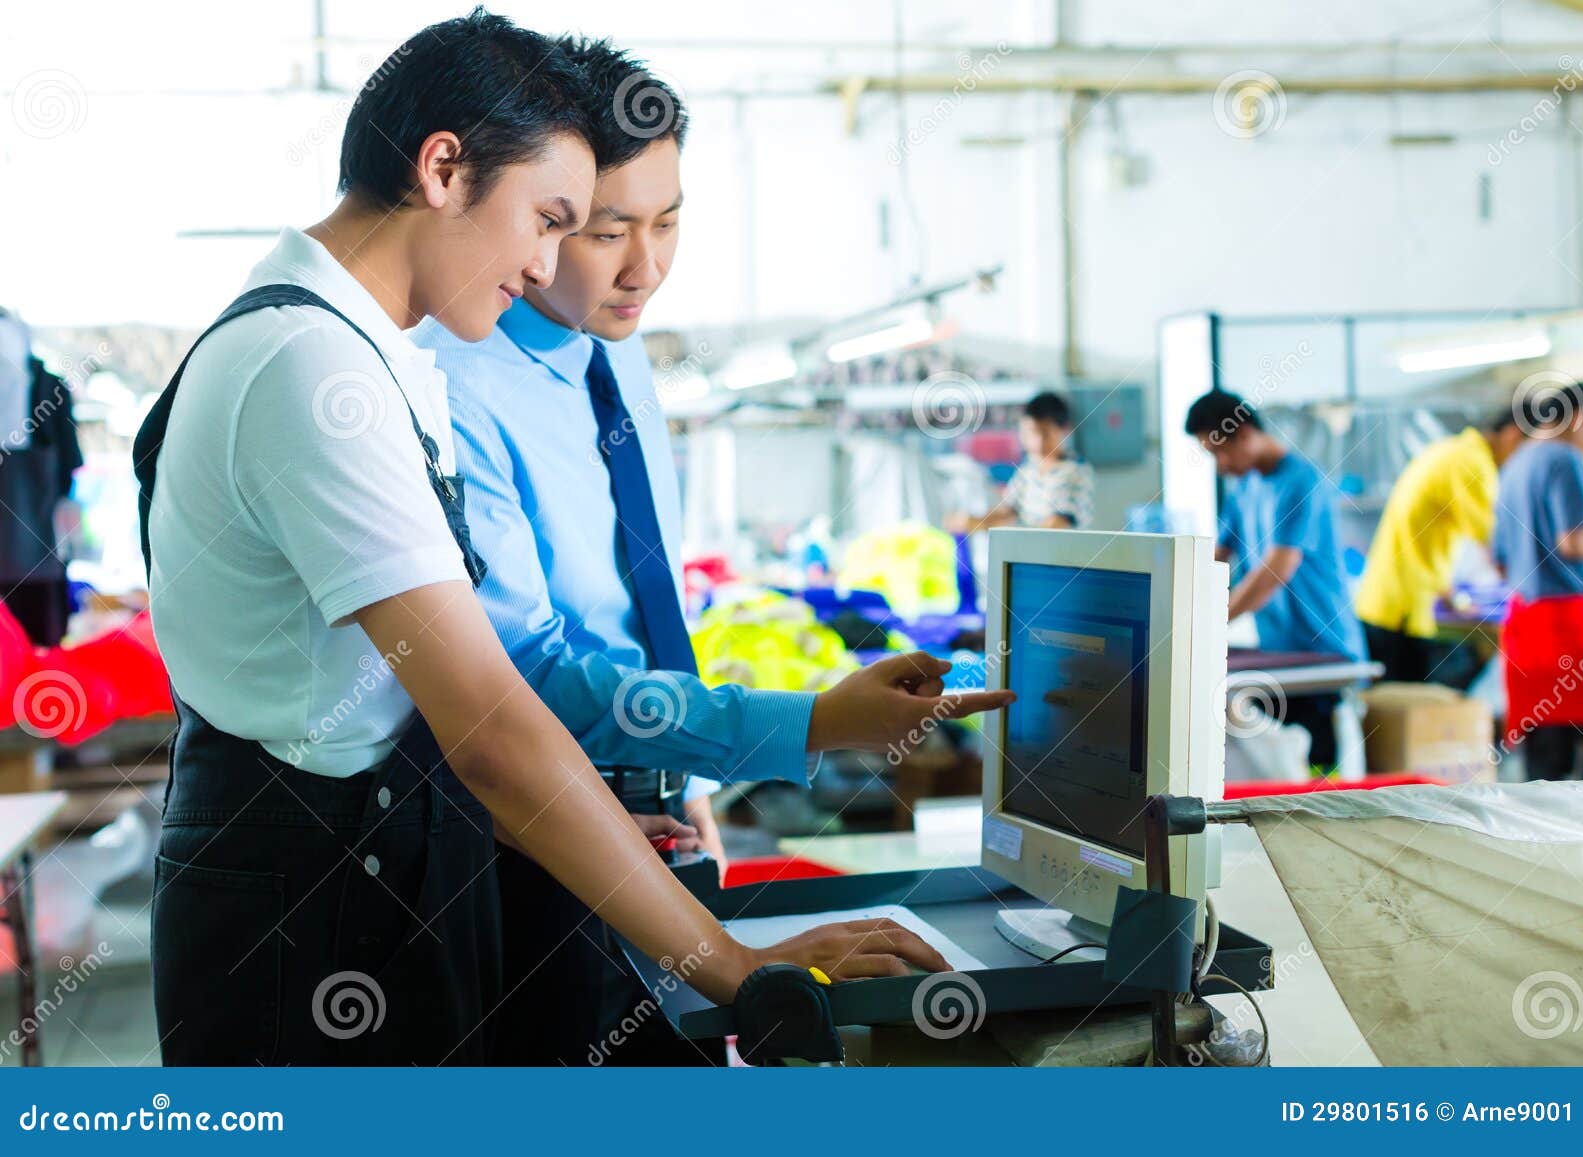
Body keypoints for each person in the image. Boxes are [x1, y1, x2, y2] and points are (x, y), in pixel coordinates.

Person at [137, 11, 979, 1067]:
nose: (546, 266)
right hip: (303, 907)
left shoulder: (368, 356)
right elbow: (492, 723)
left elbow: (428, 714)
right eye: (553, 219)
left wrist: (632, 831)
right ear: (444, 167)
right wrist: (736, 964)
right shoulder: (312, 369)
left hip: (379, 866)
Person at [417, 37, 1011, 1065]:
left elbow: (644, 606)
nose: (645, 265)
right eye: (606, 230)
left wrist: (683, 776)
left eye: (670, 219)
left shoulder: (624, 356)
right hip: (530, 842)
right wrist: (815, 719)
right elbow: (528, 684)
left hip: (651, 820)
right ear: (537, 213)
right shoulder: (453, 385)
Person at [1186, 389, 1366, 769]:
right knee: (1284, 773)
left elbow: (1274, 571)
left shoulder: (1302, 482)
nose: (1219, 465)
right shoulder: (1244, 488)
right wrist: (1185, 601)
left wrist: (1210, 624)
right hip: (1281, 655)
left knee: (1320, 783)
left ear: (1246, 433)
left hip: (1322, 653)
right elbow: (1217, 559)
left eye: (1220, 452)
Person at [1356, 402, 1541, 687]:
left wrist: (1448, 594)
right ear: (1513, 434)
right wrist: (1538, 596)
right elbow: (1498, 545)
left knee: (1399, 709)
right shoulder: (1473, 464)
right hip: (1402, 606)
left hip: (1390, 598)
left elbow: (1427, 537)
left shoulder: (1453, 451)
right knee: (1407, 711)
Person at [1492, 380, 1583, 780]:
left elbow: (1499, 559)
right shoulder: (1565, 459)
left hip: (1524, 623)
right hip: (1567, 623)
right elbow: (1572, 540)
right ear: (1578, 418)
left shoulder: (1514, 464)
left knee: (1543, 765)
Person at [0, 309, 82, 646]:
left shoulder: (50, 387)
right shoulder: (49, 387)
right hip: (36, 555)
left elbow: (67, 476)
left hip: (36, 552)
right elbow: (69, 472)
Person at [946, 390, 1093, 533]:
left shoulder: (1075, 471)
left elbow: (1057, 525)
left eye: (1046, 433)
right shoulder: (1028, 471)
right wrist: (972, 522)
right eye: (1032, 432)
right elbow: (1008, 512)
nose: (1039, 442)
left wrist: (1022, 547)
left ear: (1064, 429)